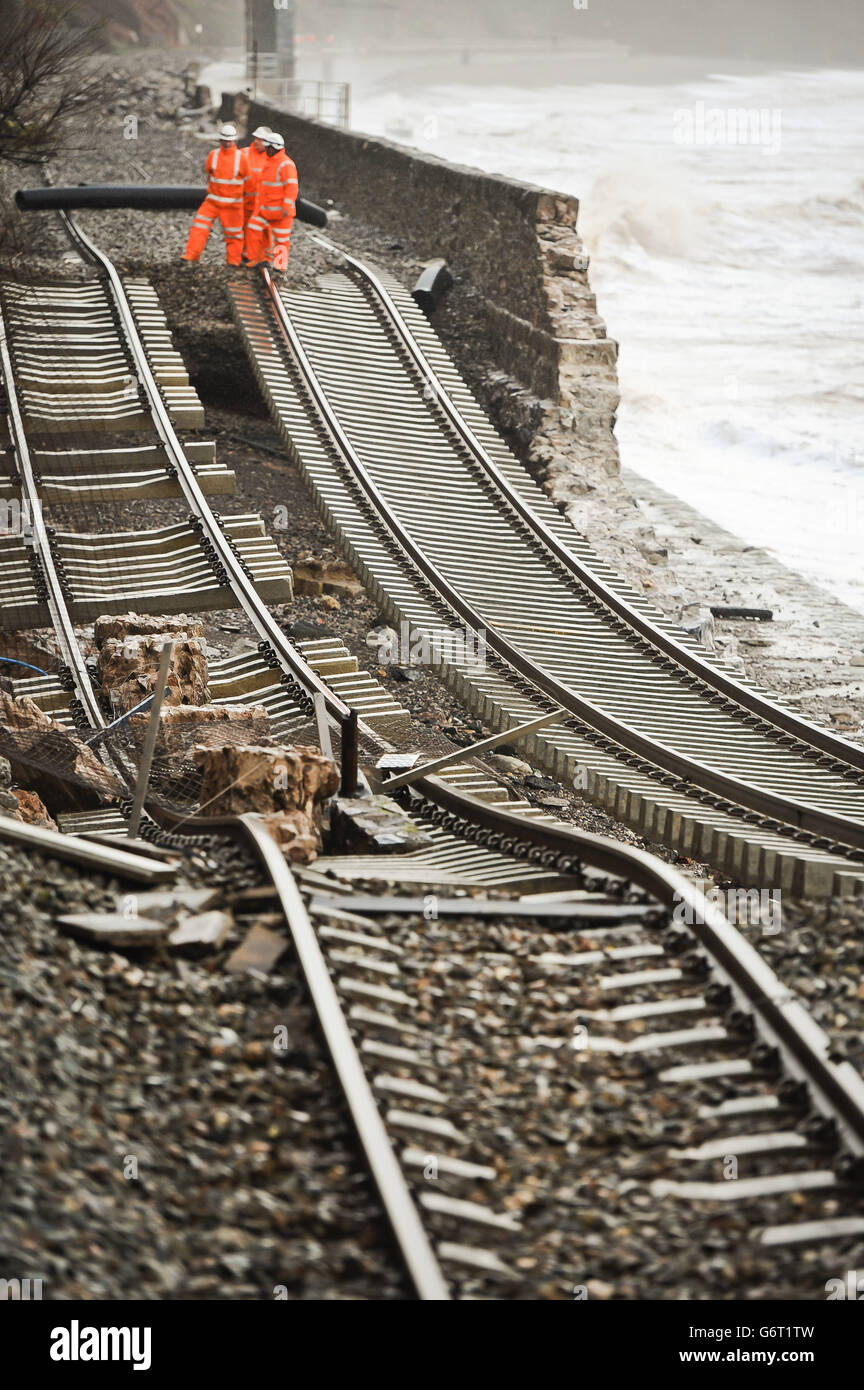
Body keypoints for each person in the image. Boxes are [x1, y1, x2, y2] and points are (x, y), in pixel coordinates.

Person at [182, 123, 248, 267]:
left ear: (234, 141)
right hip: (212, 201)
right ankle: (191, 255)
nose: (226, 143)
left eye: (229, 140)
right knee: (199, 227)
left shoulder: (241, 158)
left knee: (234, 235)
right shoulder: (214, 155)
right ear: (220, 140)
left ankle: (233, 263)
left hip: (232, 204)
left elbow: (247, 181)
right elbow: (210, 175)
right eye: (224, 140)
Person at [245, 132, 298, 272]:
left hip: (281, 213)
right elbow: (264, 188)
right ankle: (259, 259)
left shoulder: (286, 164)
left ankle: (280, 267)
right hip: (265, 210)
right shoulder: (270, 162)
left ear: (273, 148)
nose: (265, 150)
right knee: (253, 229)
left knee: (281, 239)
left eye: (267, 147)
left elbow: (291, 187)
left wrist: (286, 207)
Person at [243, 125, 271, 262]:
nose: (256, 141)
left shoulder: (272, 157)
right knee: (244, 228)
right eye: (256, 138)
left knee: (265, 231)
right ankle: (248, 255)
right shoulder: (244, 153)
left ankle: (265, 257)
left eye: (260, 139)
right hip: (245, 201)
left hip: (263, 203)